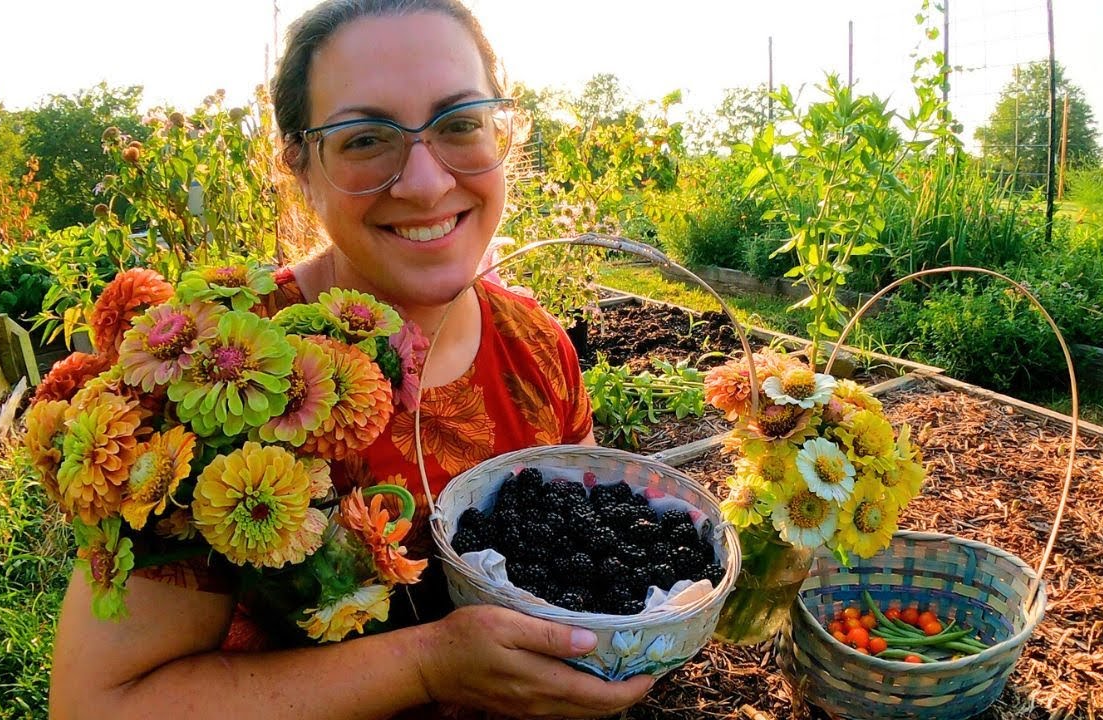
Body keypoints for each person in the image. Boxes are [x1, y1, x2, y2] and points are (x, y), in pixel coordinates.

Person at [47, 1, 655, 718]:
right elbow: (97, 704)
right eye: (366, 139)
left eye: (460, 123)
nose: (426, 183)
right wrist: (427, 667)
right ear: (300, 168)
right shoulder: (214, 374)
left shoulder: (539, 349)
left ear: (503, 131)